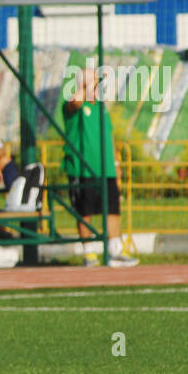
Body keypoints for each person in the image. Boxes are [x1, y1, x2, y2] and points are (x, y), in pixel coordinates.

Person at [62, 68, 138, 267]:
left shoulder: (101, 108)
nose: (97, 87)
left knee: (112, 208)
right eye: (94, 83)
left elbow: (109, 136)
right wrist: (84, 84)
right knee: (85, 210)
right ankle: (89, 253)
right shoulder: (74, 105)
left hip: (106, 169)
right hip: (83, 168)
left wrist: (116, 163)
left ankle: (115, 250)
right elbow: (75, 102)